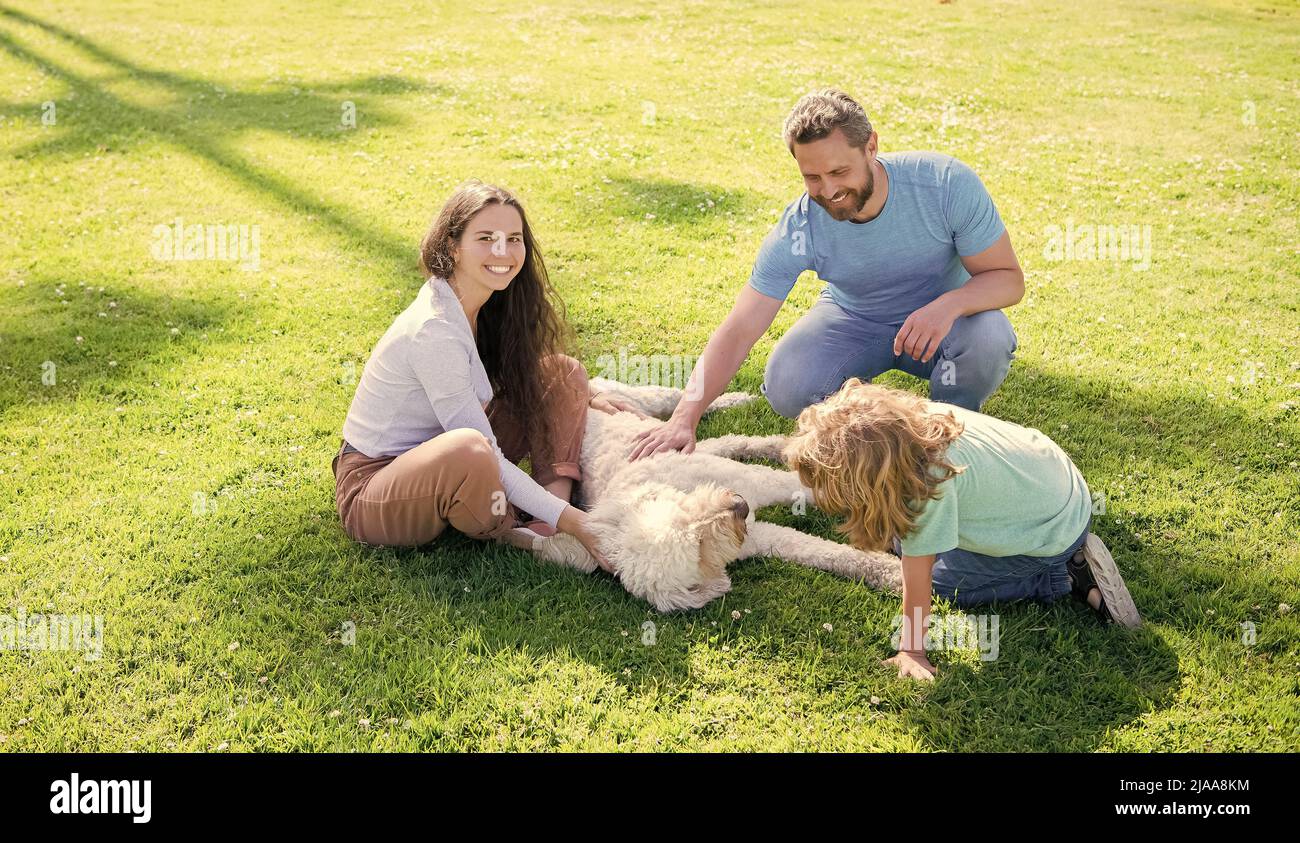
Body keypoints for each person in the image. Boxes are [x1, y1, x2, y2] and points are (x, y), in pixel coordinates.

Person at [631, 88, 1023, 461]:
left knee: (989, 337)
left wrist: (949, 304)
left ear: (871, 146)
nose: (829, 190)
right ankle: (878, 416)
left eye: (839, 171)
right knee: (789, 386)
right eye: (812, 177)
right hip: (855, 318)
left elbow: (1007, 278)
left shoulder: (944, 184)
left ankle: (952, 429)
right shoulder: (800, 227)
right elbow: (740, 327)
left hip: (943, 326)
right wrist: (684, 417)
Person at [332, 181, 640, 569]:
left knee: (561, 372)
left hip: (448, 454)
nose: (503, 251)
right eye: (485, 238)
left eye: (513, 238)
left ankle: (550, 512)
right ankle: (520, 533)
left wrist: (584, 395)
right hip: (376, 489)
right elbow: (482, 450)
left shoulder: (485, 302)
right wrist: (583, 524)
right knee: (471, 448)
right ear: (452, 246)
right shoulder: (435, 330)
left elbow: (513, 379)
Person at [783, 378, 1142, 681]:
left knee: (943, 579)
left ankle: (1066, 576)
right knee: (909, 540)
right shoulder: (918, 420)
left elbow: (918, 578)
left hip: (1052, 533)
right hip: (1060, 480)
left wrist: (912, 650)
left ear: (874, 479)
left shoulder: (926, 486)